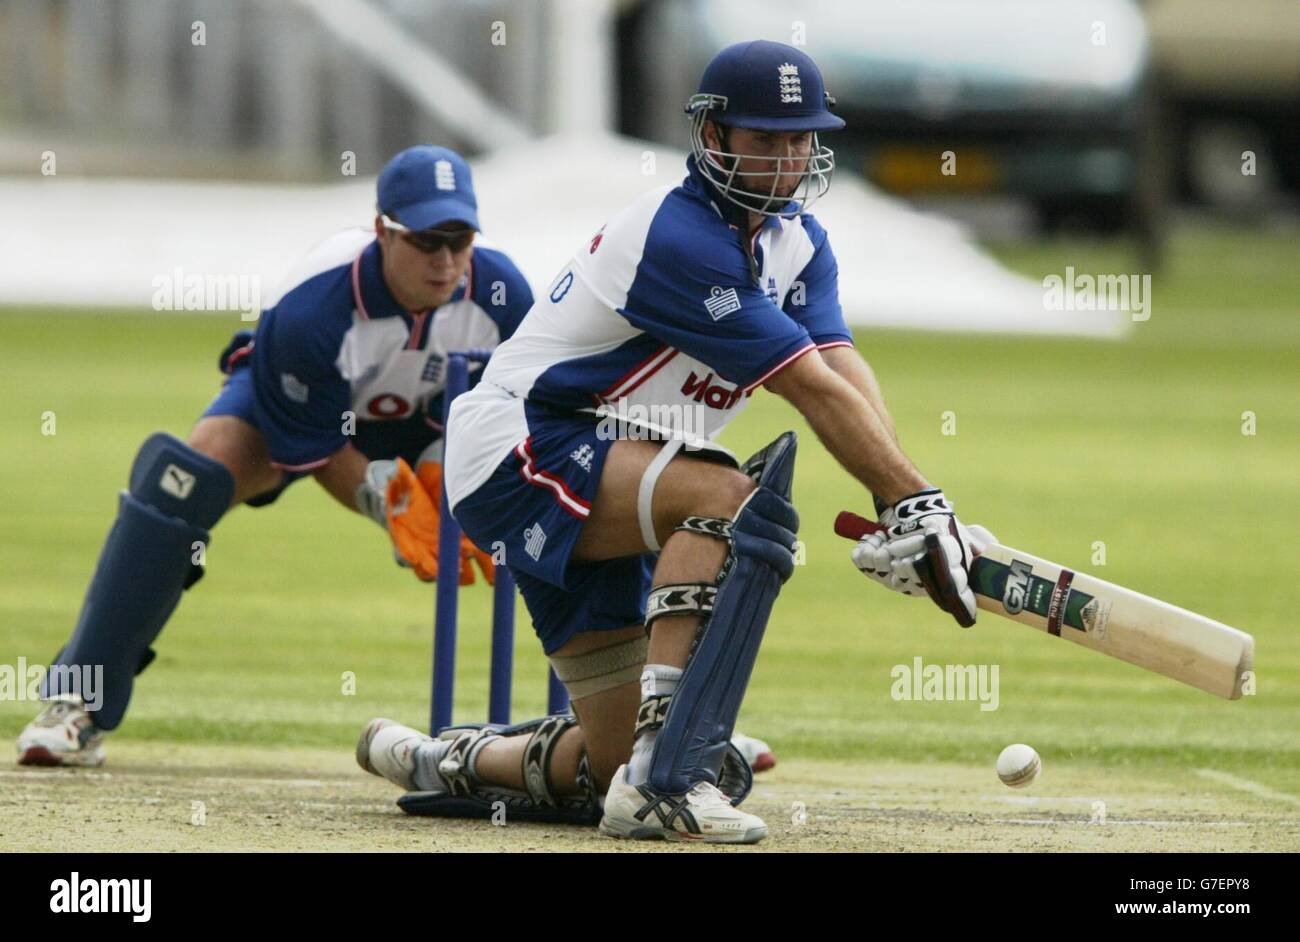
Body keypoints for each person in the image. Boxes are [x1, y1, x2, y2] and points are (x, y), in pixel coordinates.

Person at [356, 41, 992, 844]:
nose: (787, 159)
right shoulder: (679, 236)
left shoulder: (800, 244)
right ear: (715, 137)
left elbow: (841, 364)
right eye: (765, 139)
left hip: (617, 474)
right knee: (729, 499)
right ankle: (668, 778)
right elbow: (805, 384)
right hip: (521, 445)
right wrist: (915, 500)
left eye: (801, 139)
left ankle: (444, 760)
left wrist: (904, 504)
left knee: (604, 763)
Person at [16, 146, 532, 766]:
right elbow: (316, 445)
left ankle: (602, 728)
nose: (446, 262)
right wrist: (392, 503)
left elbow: (525, 409)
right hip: (301, 411)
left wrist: (463, 473)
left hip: (426, 429)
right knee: (182, 481)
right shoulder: (315, 305)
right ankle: (78, 701)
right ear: (383, 232)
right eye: (426, 241)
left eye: (460, 239)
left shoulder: (503, 296)